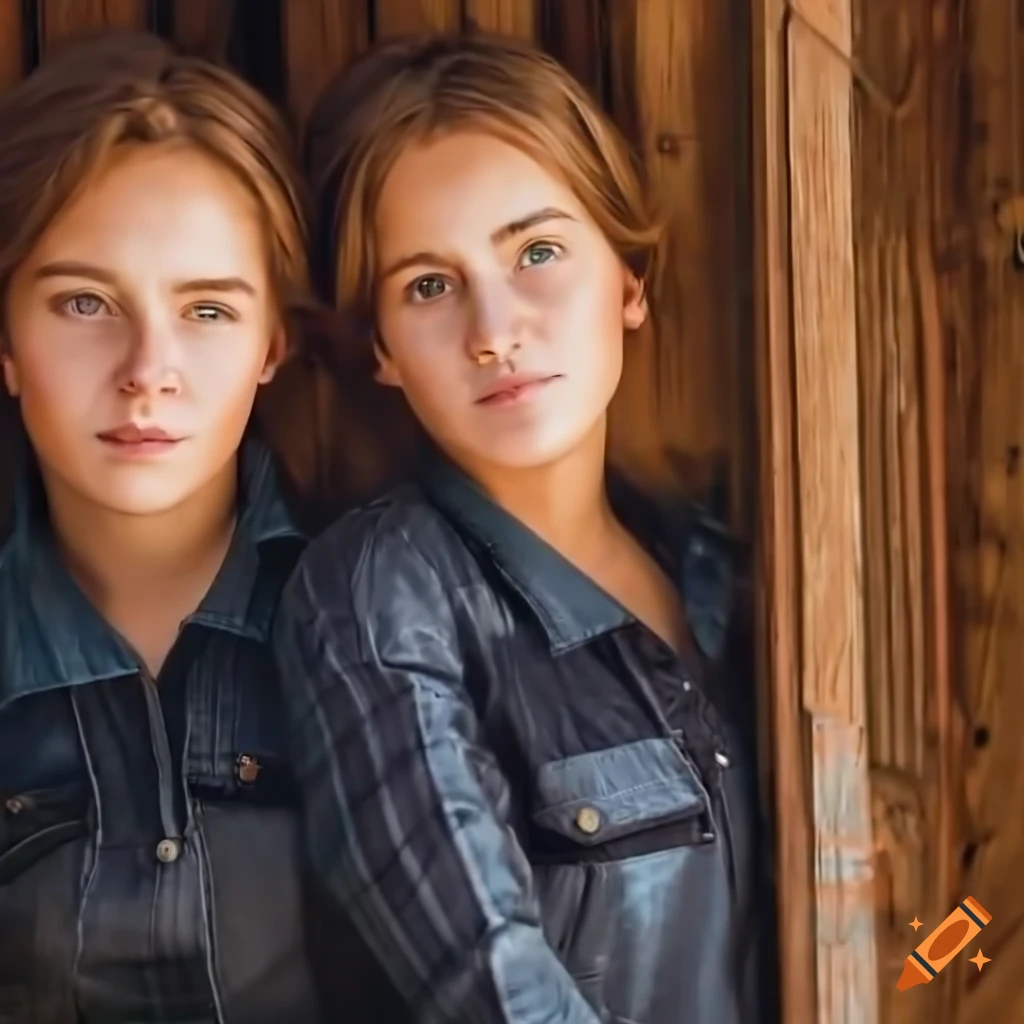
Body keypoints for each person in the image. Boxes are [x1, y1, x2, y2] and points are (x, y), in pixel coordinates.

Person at [275, 32, 770, 1024]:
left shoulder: (732, 575)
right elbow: (497, 995)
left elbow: (920, 924)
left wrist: (931, 961)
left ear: (629, 280)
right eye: (428, 284)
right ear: (379, 348)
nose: (493, 328)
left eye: (536, 251)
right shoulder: (382, 598)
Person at [0, 32, 328, 1022]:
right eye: (85, 301)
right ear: (5, 342)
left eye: (207, 310)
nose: (148, 368)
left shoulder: (391, 623)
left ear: (275, 339)